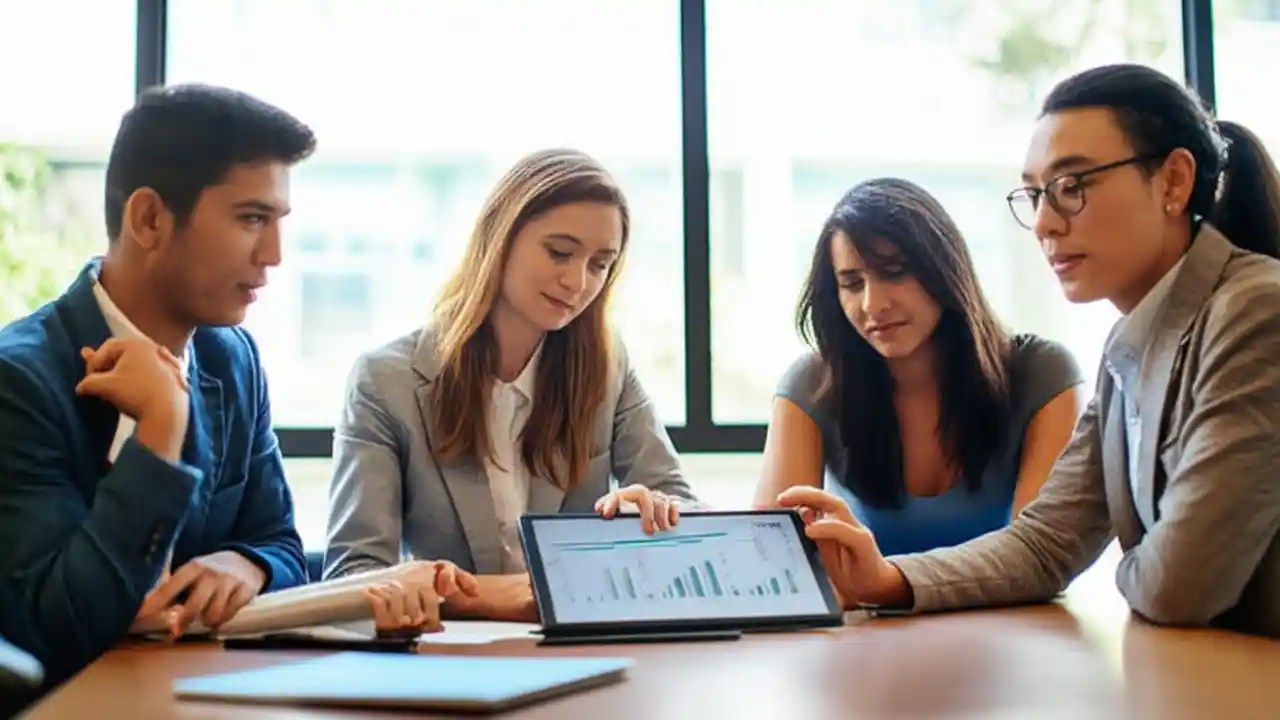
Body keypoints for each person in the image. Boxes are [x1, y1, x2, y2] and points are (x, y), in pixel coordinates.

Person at [778, 64, 1280, 638]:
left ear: (1172, 182)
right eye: (1036, 194)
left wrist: (1129, 568)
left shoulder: (1255, 311)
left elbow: (1179, 587)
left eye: (1072, 188)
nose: (1043, 223)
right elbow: (1045, 545)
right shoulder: (1130, 346)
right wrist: (886, 579)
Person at [0, 84, 472, 687]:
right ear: (149, 218)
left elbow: (278, 540)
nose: (274, 255)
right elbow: (60, 628)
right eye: (252, 219)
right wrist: (161, 432)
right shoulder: (21, 379)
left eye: (278, 222)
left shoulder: (231, 358)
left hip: (206, 689)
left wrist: (244, 564)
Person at [324, 148, 699, 621]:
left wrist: (651, 517)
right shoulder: (386, 382)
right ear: (500, 240)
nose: (577, 282)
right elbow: (353, 576)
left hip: (578, 649)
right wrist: (511, 595)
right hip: (453, 654)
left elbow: (686, 514)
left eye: (600, 264)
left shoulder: (606, 368)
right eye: (559, 252)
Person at [754, 178, 1083, 554]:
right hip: (868, 613)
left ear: (944, 270)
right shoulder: (812, 384)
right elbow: (775, 555)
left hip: (1008, 612)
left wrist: (889, 583)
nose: (872, 305)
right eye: (852, 283)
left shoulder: (1043, 374)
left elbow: (1039, 557)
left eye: (894, 273)